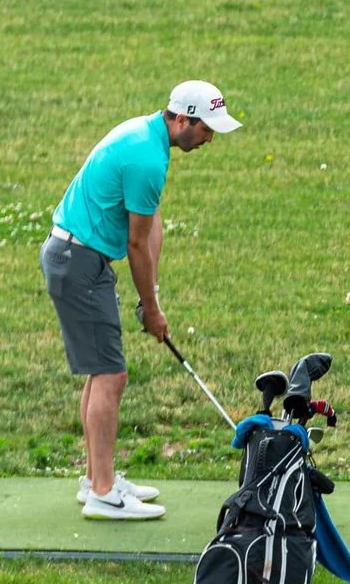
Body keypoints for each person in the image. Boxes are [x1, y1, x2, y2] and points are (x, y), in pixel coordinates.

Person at [42, 80, 241, 520]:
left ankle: (98, 477)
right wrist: (150, 311)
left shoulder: (147, 137)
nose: (210, 139)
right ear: (183, 119)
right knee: (112, 375)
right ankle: (103, 493)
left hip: (79, 257)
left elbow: (151, 229)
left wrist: (153, 298)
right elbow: (134, 243)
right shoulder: (148, 157)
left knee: (101, 372)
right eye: (207, 129)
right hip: (78, 260)